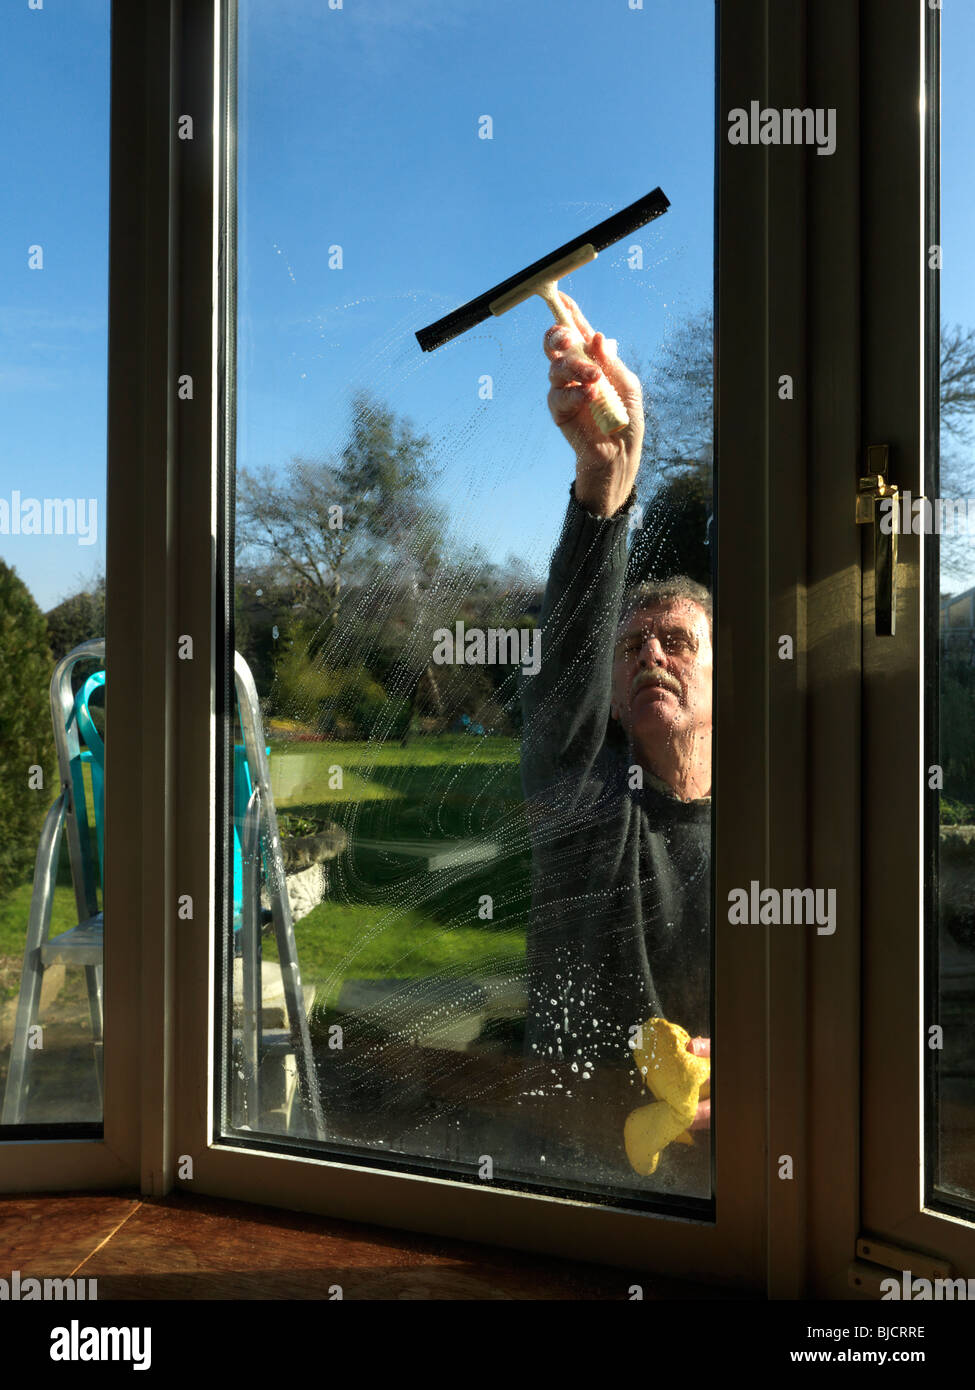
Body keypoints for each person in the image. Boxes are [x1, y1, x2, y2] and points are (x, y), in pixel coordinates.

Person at [520, 293, 711, 1137]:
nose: (650, 657)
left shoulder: (781, 833)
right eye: (629, 647)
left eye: (675, 642)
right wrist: (605, 481)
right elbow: (563, 672)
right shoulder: (591, 800)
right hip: (578, 1172)